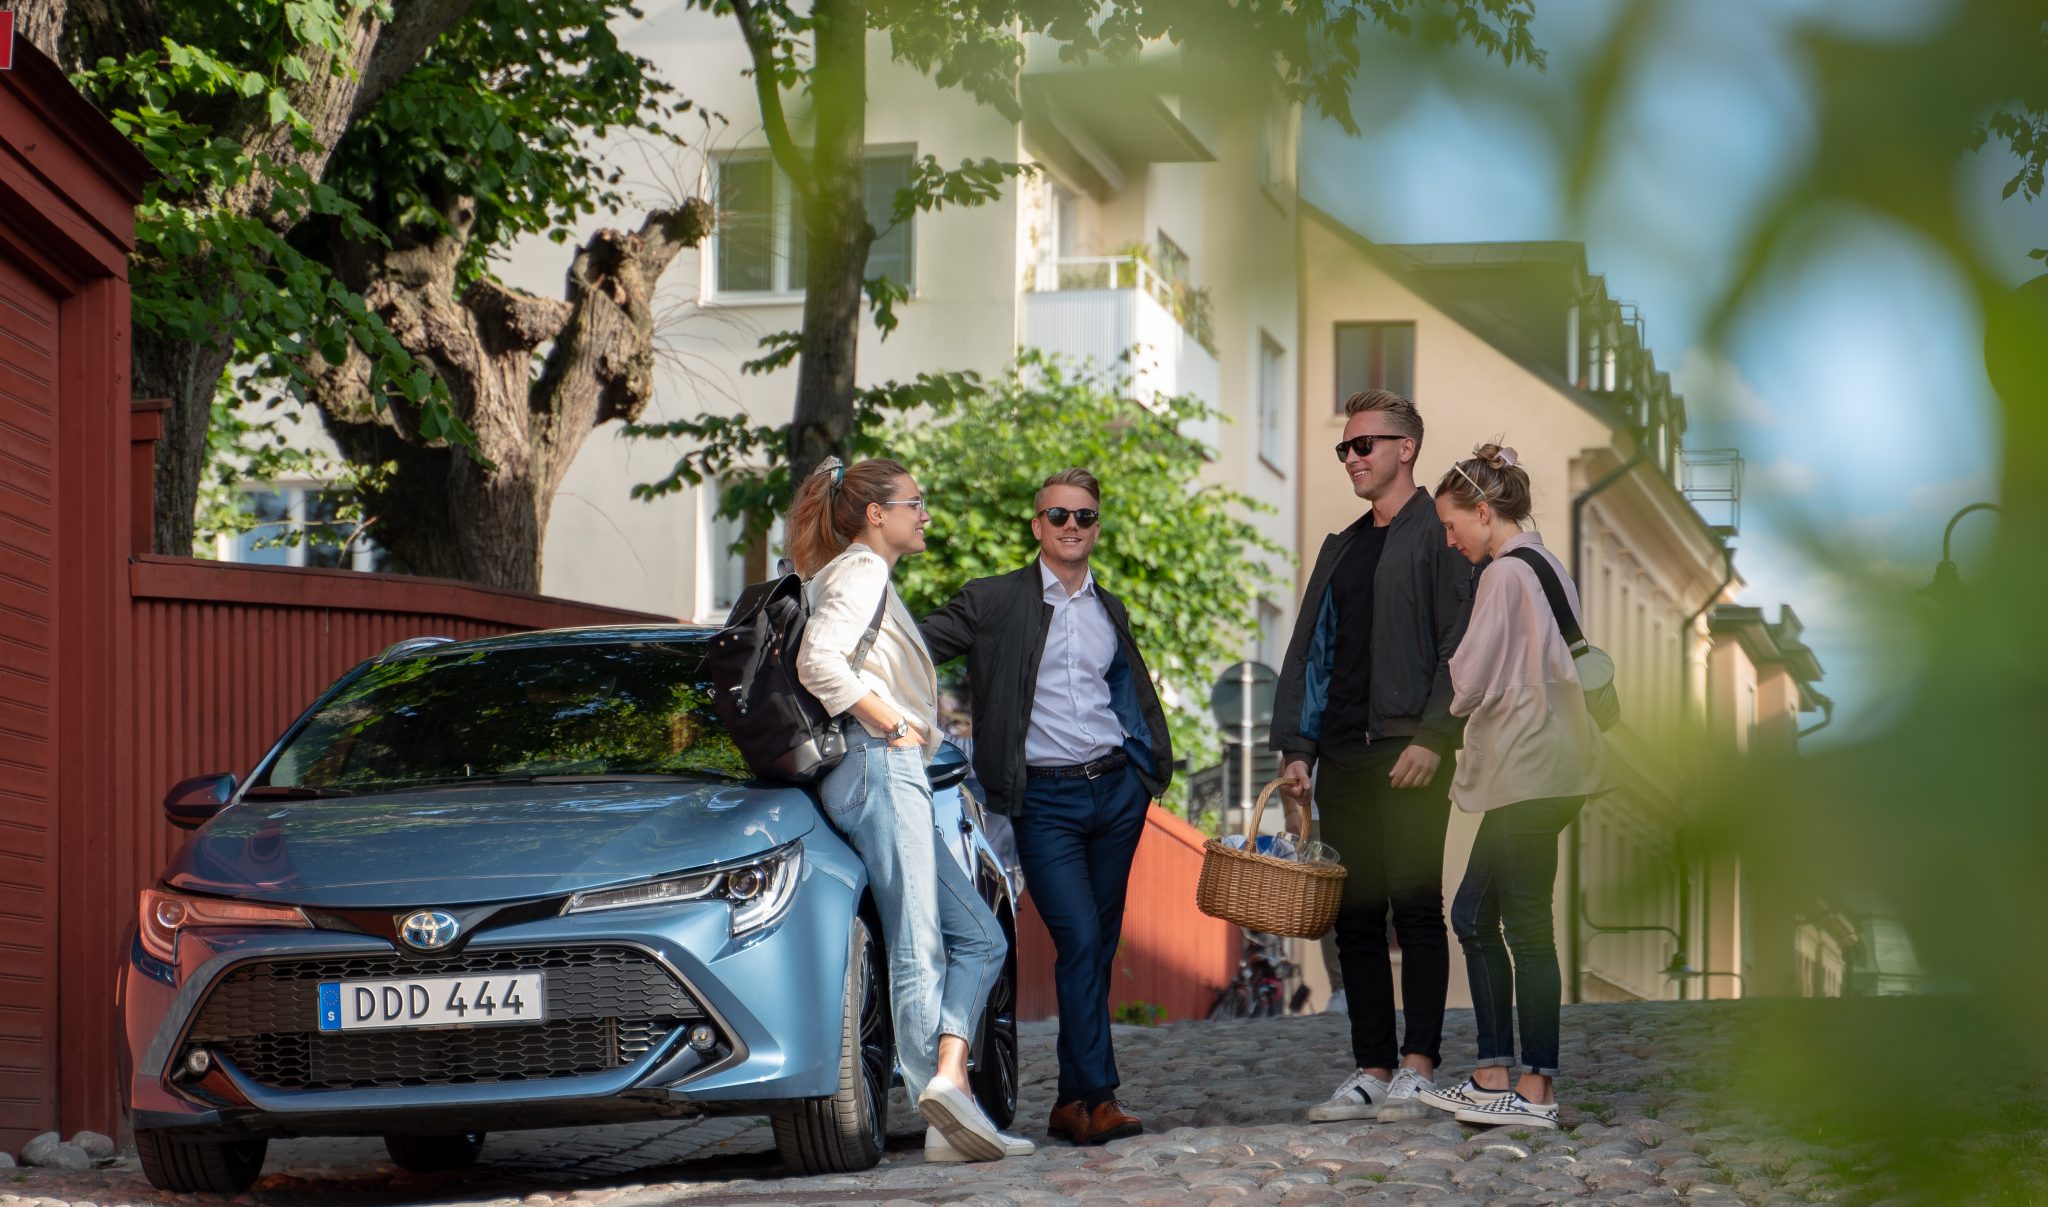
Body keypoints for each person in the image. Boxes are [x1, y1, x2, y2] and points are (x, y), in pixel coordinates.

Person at [921, 468, 1174, 1146]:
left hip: (1115, 791)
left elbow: (1124, 694)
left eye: (1084, 515)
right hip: (1044, 799)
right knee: (1080, 939)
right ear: (1037, 525)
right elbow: (914, 646)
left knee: (1098, 946)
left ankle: (1072, 1100)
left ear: (1097, 527)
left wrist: (1145, 772)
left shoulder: (1108, 608)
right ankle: (1101, 1095)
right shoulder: (992, 599)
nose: (1071, 525)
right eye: (1057, 514)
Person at [790, 456, 1030, 1163]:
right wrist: (891, 720)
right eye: (914, 503)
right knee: (917, 939)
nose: (924, 515)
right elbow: (818, 661)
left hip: (887, 770)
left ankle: (948, 1089)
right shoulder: (862, 569)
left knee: (980, 936)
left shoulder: (856, 573)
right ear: (876, 514)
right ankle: (942, 1111)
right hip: (880, 764)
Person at [1270, 389, 1474, 1124]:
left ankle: (1418, 1066)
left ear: (1405, 448)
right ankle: (1372, 1069)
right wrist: (1298, 747)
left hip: (1407, 748)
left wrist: (1433, 736)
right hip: (1343, 753)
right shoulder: (1342, 546)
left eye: (1364, 445)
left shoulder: (1439, 535)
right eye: (1345, 448)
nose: (1351, 458)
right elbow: (1311, 652)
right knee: (1355, 915)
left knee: (1415, 905)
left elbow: (1459, 645)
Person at [1414, 444, 1609, 1131]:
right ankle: (1498, 1075)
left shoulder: (1502, 575)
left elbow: (1469, 680)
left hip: (1529, 766)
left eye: (1451, 525)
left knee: (1516, 921)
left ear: (1482, 511)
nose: (1450, 539)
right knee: (1480, 915)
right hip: (1555, 764)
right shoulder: (1547, 563)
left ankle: (1532, 1086)